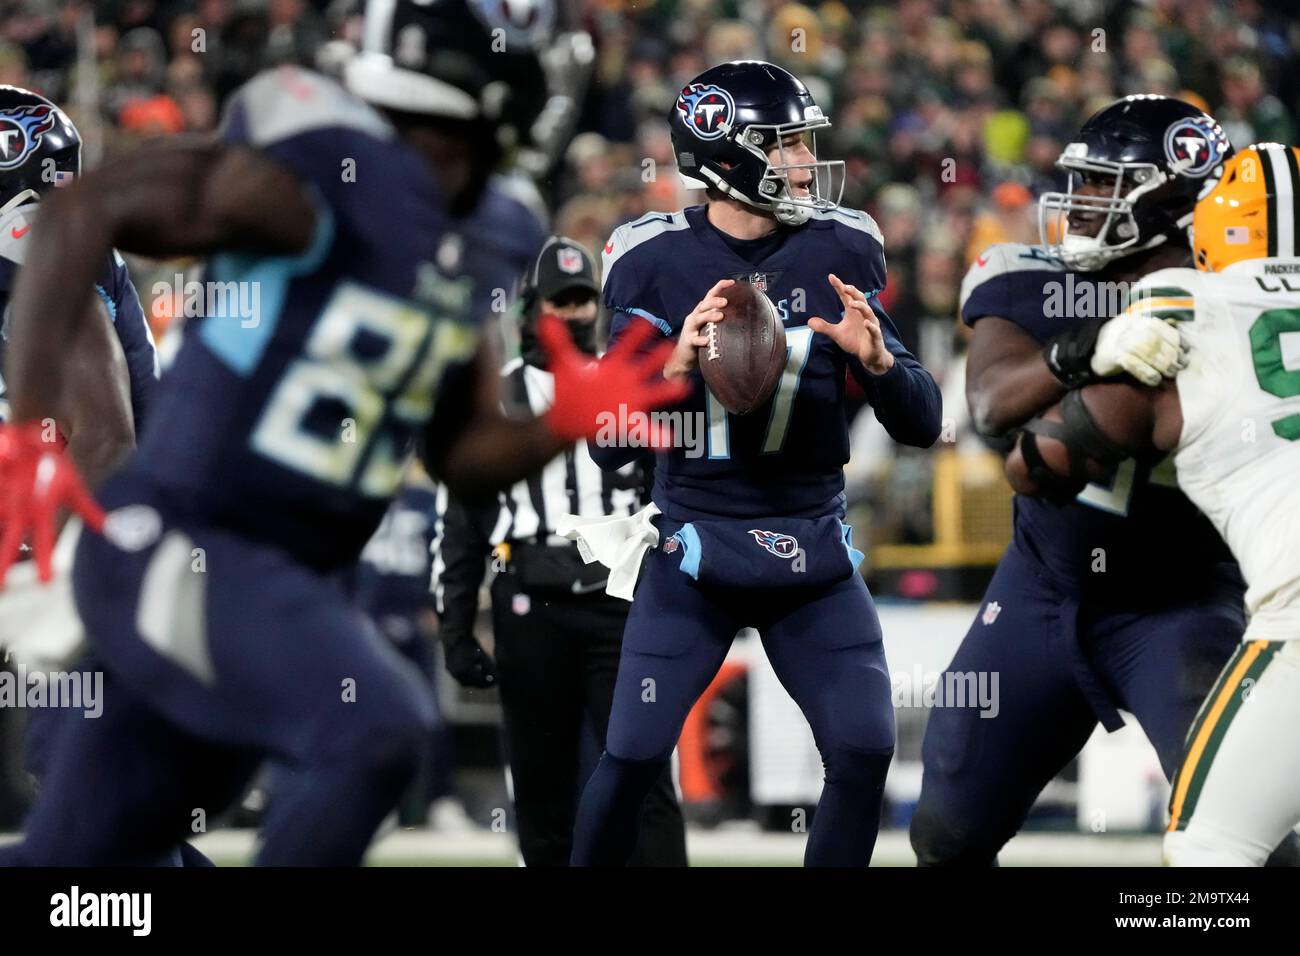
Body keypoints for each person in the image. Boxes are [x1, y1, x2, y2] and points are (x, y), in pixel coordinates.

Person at [0, 0, 685, 866]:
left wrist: (564, 421)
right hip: (189, 543)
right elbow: (72, 216)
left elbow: (463, 455)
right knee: (376, 731)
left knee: (86, 869)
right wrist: (27, 433)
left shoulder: (489, 226)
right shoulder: (320, 169)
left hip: (280, 575)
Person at [570, 60, 942, 867]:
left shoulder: (842, 246)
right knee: (632, 753)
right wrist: (668, 371)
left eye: (806, 143)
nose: (807, 163)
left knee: (865, 748)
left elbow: (923, 422)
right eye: (787, 146)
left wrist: (878, 363)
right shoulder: (652, 257)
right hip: (694, 545)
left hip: (812, 541)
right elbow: (605, 437)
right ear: (726, 155)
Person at [912, 95, 1299, 866]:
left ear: (1173, 200)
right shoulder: (1030, 277)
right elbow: (990, 405)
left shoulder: (1223, 302)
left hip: (1183, 602)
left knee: (1244, 837)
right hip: (1040, 588)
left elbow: (1038, 459)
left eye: (1102, 186)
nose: (1081, 204)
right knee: (948, 830)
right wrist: (1087, 349)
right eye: (1082, 185)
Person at [437, 236, 688, 866]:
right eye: (561, 300)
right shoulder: (501, 392)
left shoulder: (631, 378)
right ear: (532, 307)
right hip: (531, 601)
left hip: (622, 599)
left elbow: (675, 486)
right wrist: (456, 623)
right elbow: (463, 517)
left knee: (642, 769)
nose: (574, 312)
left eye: (583, 299)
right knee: (541, 778)